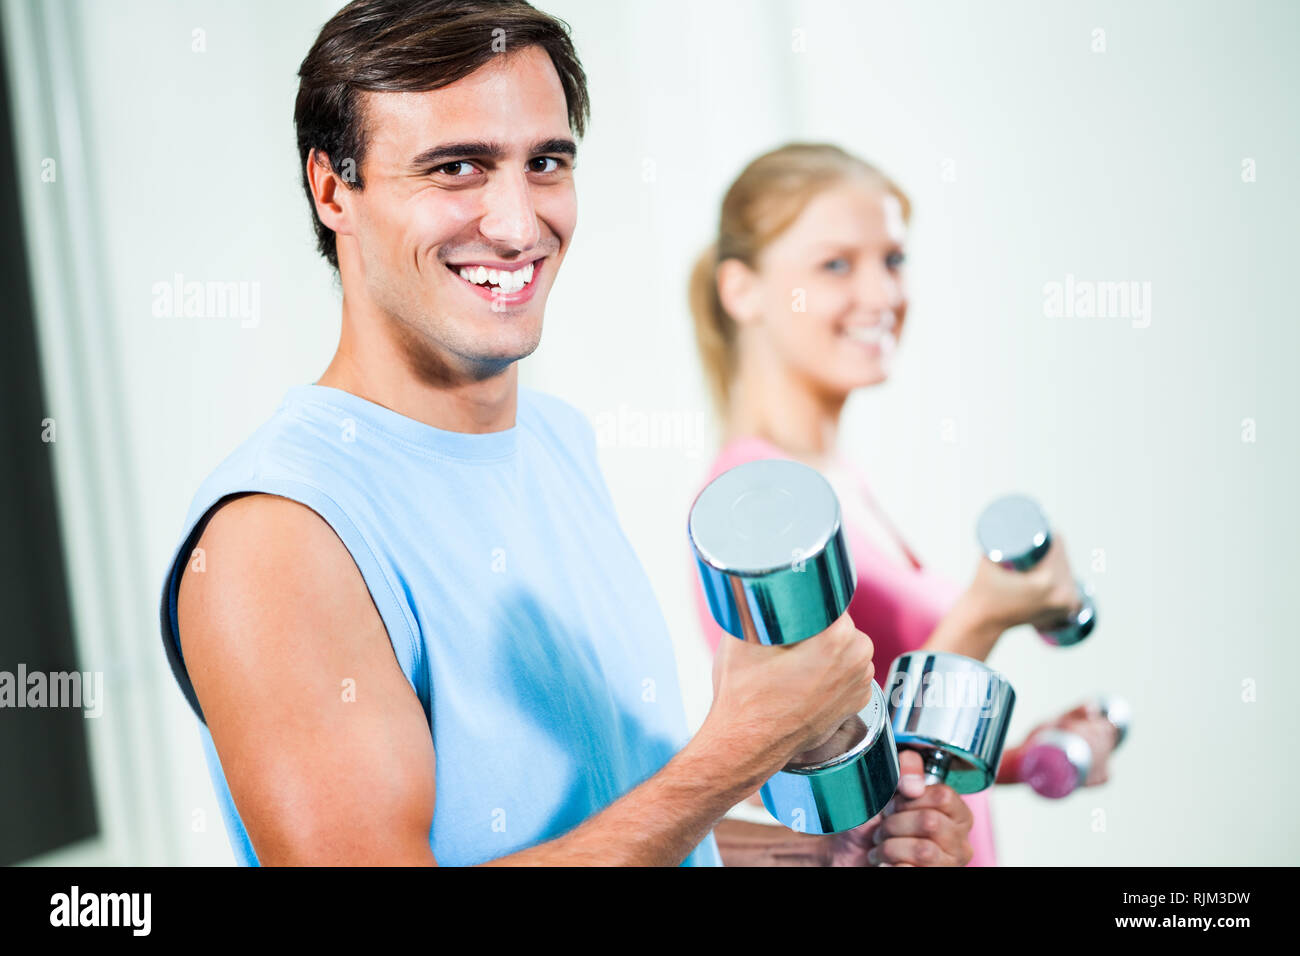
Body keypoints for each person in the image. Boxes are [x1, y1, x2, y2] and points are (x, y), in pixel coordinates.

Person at [156, 0, 971, 867]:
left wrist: (825, 856)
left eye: (544, 162)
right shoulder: (277, 537)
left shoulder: (554, 441)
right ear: (333, 189)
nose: (516, 224)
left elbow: (604, 821)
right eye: (457, 168)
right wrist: (737, 750)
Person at [687, 142, 1122, 866]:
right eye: (836, 265)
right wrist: (986, 614)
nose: (882, 295)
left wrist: (1016, 757)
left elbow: (890, 721)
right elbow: (821, 767)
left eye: (893, 260)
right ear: (743, 290)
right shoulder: (754, 503)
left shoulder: (834, 480)